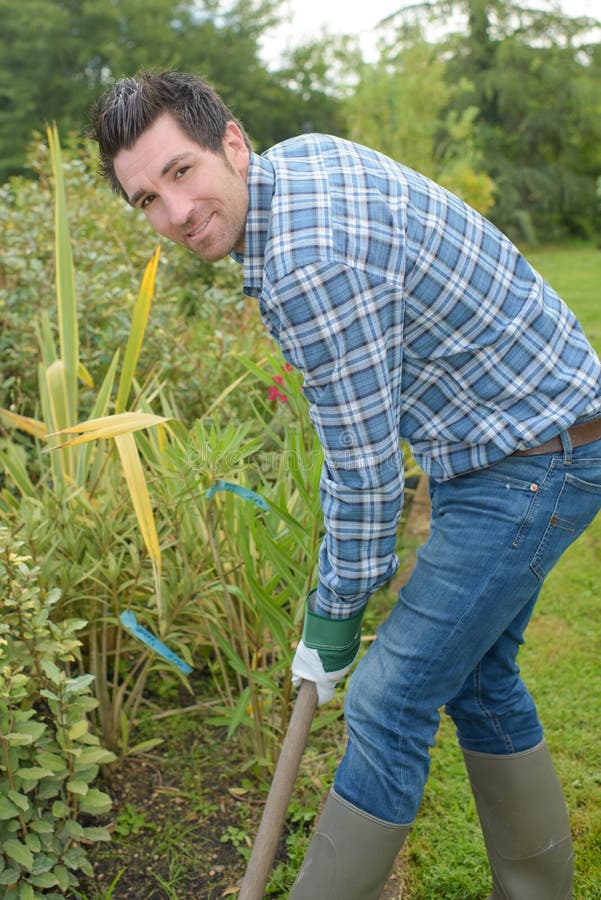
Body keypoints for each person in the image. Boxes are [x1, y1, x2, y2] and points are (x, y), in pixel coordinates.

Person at [89, 70, 601, 899]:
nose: (174, 215)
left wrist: (331, 624)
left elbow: (366, 480)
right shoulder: (296, 171)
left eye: (180, 172)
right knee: (477, 677)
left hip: (532, 461)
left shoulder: (307, 259)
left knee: (387, 697)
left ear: (232, 142)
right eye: (145, 198)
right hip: (525, 433)